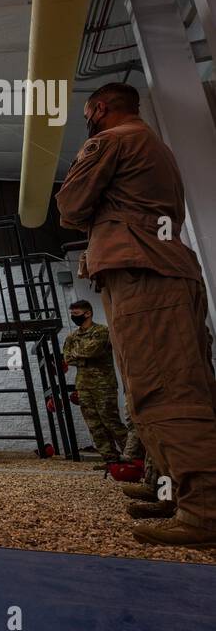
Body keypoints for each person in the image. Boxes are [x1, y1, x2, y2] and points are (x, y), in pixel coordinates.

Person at [57, 81, 216, 548]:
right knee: (164, 387)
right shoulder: (153, 145)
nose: (88, 122)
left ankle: (204, 511)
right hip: (160, 271)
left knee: (165, 391)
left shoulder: (111, 141)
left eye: (88, 114)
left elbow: (69, 206)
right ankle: (172, 491)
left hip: (144, 275)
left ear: (99, 108)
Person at [62, 299, 127, 464]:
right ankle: (111, 460)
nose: (74, 317)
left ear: (88, 313)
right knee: (94, 425)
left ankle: (134, 456)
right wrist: (82, 355)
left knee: (111, 422)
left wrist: (79, 354)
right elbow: (68, 358)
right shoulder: (72, 337)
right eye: (72, 314)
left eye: (76, 314)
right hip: (84, 386)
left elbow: (92, 351)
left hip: (103, 385)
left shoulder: (101, 331)